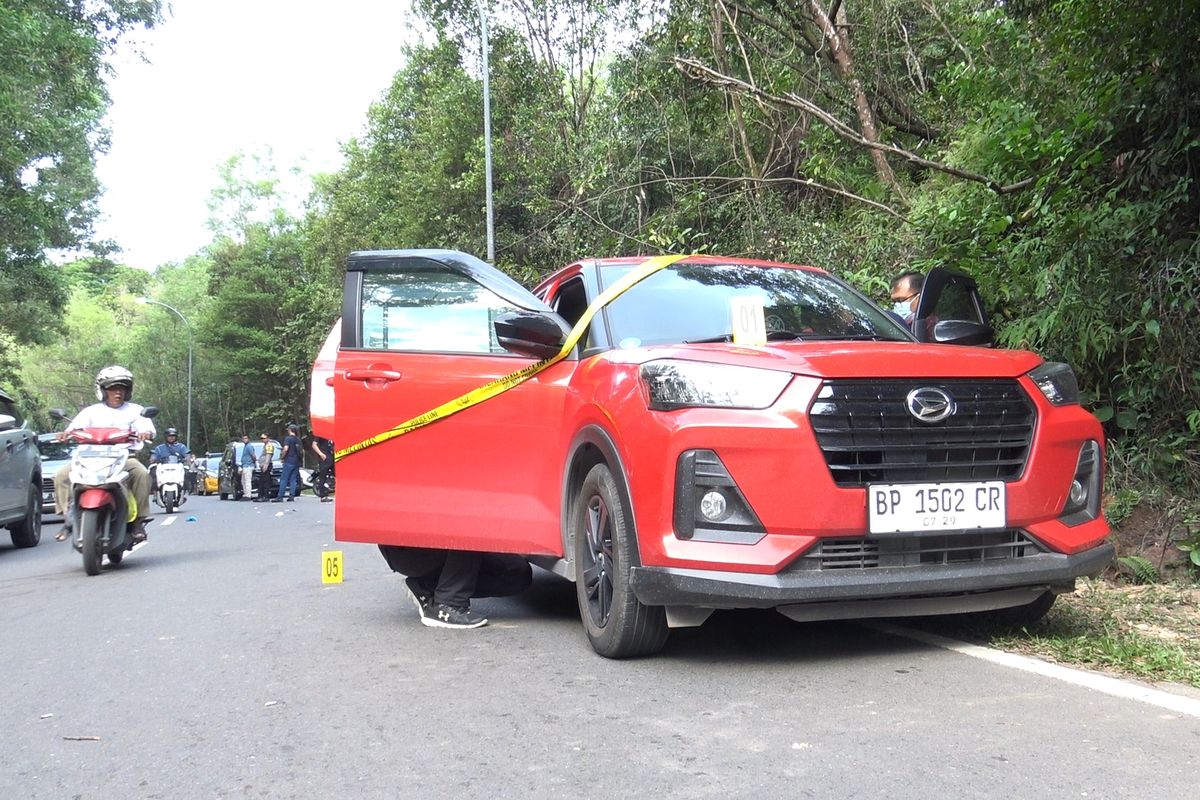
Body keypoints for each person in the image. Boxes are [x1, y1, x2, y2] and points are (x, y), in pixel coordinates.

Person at [53, 366, 155, 543]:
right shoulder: (91, 411)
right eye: (112, 388)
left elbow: (147, 428)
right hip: (89, 458)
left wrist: (145, 433)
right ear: (102, 390)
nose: (118, 393)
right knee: (61, 475)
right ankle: (68, 519)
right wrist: (65, 434)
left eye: (122, 388)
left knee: (142, 474)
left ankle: (139, 521)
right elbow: (73, 428)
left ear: (128, 390)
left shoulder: (136, 410)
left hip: (124, 458)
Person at [378, 545, 532, 629]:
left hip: (444, 544)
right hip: (410, 546)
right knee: (470, 510)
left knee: (516, 573)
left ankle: (426, 586)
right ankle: (449, 602)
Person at [149, 427, 190, 494]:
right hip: (163, 467)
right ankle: (154, 490)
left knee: (187, 470)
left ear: (176, 437)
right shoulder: (159, 448)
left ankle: (184, 489)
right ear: (166, 437)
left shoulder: (181, 447)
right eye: (169, 436)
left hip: (177, 467)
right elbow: (153, 455)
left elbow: (187, 454)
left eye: (173, 436)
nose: (171, 438)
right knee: (152, 470)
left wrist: (187, 458)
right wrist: (153, 458)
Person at [272, 423, 302, 502]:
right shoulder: (298, 439)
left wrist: (282, 457)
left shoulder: (288, 439)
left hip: (289, 460)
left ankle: (280, 496)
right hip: (296, 461)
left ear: (290, 430)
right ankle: (291, 496)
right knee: (293, 479)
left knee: (284, 479)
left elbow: (285, 449)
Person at [309, 435, 334, 502]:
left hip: (332, 456)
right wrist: (321, 454)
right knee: (323, 475)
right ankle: (323, 496)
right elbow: (314, 445)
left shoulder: (332, 433)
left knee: (335, 474)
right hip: (324, 457)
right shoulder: (320, 434)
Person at [255, 433, 277, 502]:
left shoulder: (269, 445)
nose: (263, 440)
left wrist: (266, 465)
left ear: (268, 438)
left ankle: (265, 496)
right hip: (263, 465)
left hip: (266, 465)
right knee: (262, 481)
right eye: (262, 438)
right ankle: (261, 496)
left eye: (264, 438)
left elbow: (268, 455)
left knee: (265, 481)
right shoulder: (265, 445)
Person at [238, 434, 256, 500]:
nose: (244, 440)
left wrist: (253, 463)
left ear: (248, 439)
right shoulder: (245, 446)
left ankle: (248, 495)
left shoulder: (249, 446)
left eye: (246, 438)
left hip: (248, 466)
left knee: (247, 481)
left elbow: (253, 456)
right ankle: (245, 494)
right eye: (243, 438)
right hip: (244, 466)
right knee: (243, 481)